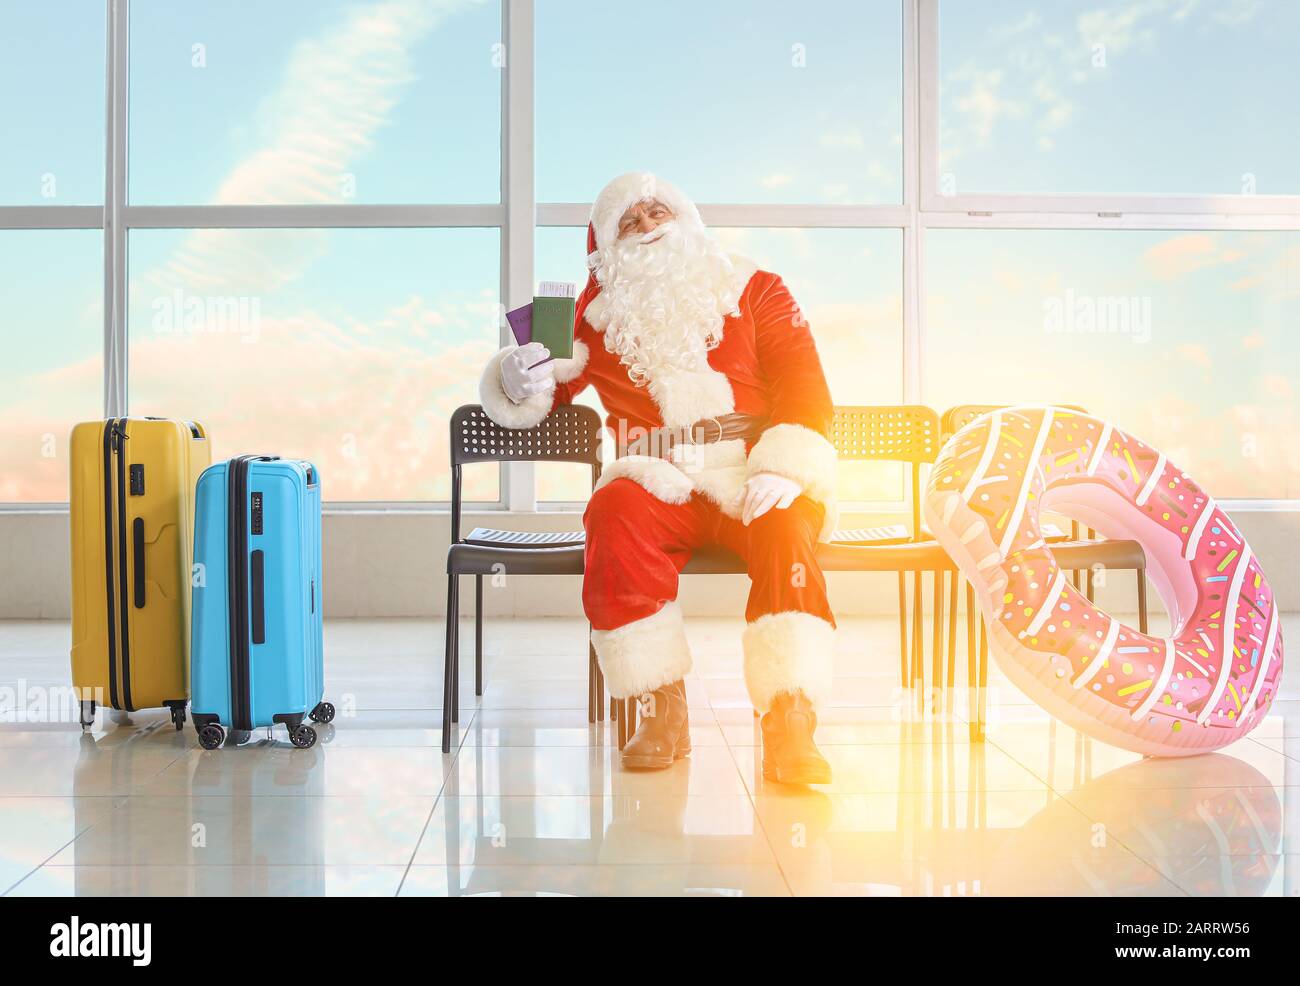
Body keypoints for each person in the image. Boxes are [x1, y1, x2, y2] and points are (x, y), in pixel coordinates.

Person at [478, 172, 837, 784]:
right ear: (607, 246)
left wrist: (785, 467)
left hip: (749, 470)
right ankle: (658, 704)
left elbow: (805, 383)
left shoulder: (758, 287)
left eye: (657, 212)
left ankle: (791, 716)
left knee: (787, 525)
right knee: (614, 511)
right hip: (656, 472)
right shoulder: (586, 314)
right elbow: (543, 391)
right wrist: (516, 375)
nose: (648, 227)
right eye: (629, 221)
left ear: (686, 218)